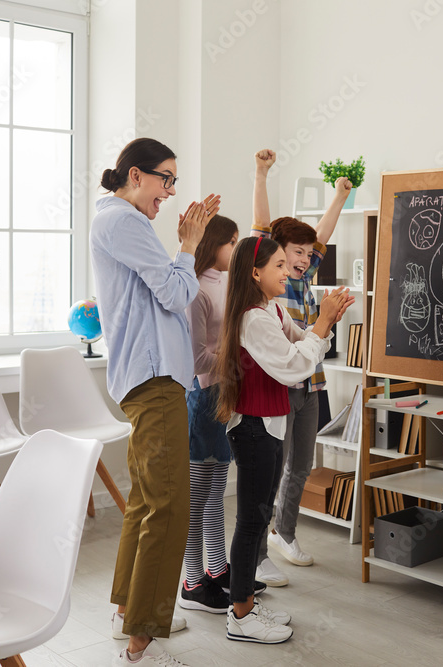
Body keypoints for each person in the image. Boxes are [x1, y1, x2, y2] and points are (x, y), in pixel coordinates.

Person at [91, 137, 219, 667]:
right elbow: (174, 294)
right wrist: (188, 245)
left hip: (149, 376)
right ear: (135, 175)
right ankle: (145, 638)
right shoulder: (124, 221)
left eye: (174, 181)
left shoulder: (120, 221)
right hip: (154, 379)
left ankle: (128, 611)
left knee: (146, 500)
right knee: (169, 503)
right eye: (165, 179)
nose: (170, 192)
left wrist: (181, 253)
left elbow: (162, 289)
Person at [214, 236, 353, 643]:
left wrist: (324, 324)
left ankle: (246, 605)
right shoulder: (253, 318)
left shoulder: (272, 308)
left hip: (270, 425)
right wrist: (323, 326)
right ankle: (240, 615)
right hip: (254, 429)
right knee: (251, 523)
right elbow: (293, 367)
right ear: (255, 273)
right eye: (278, 265)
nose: (288, 271)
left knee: (260, 521)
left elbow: (300, 342)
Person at [250, 148, 353, 586]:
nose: (306, 258)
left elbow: (321, 235)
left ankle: (284, 533)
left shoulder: (307, 277)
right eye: (297, 252)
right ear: (277, 253)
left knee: (301, 465)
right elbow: (261, 227)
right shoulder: (272, 279)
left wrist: (340, 195)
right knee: (272, 468)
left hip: (312, 382)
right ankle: (255, 555)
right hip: (282, 384)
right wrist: (261, 174)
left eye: (309, 254)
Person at [179, 214, 266, 613]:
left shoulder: (226, 282)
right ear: (213, 243)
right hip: (204, 395)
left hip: (225, 394)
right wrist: (236, 359)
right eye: (232, 241)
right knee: (199, 497)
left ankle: (217, 569)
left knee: (216, 493)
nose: (237, 248)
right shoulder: (195, 290)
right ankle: (191, 581)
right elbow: (197, 357)